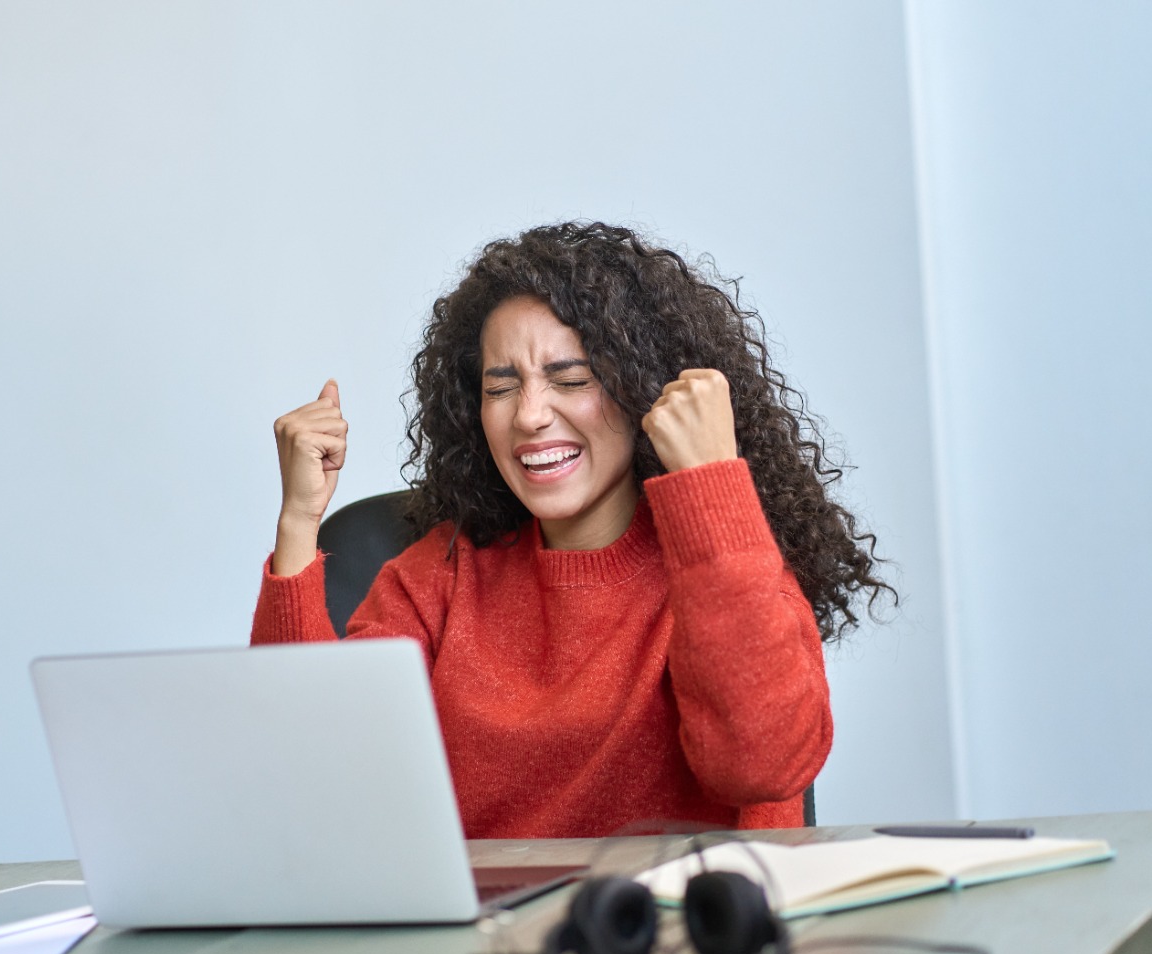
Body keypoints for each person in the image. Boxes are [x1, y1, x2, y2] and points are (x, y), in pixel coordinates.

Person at [251, 222, 891, 838]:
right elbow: (315, 785)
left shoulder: (725, 560)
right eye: (501, 388)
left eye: (572, 380)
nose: (529, 415)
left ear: (645, 390)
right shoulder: (441, 573)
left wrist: (711, 478)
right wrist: (298, 523)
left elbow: (759, 765)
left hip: (673, 939)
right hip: (481, 942)